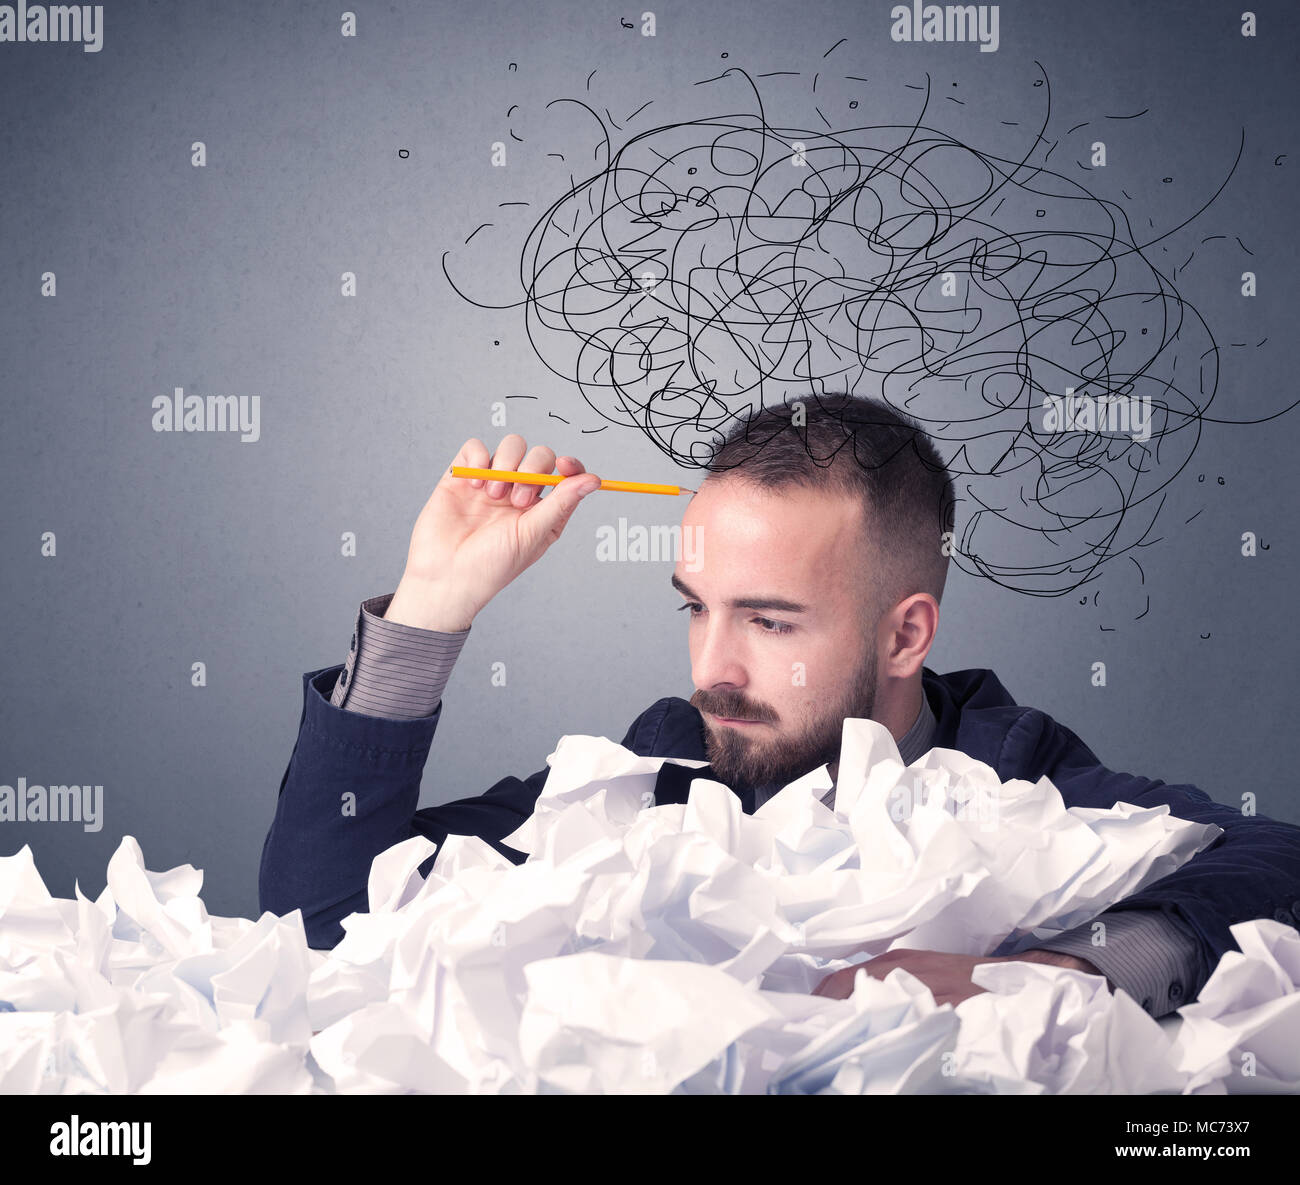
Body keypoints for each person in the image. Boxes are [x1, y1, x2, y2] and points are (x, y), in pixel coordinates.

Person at [258, 393, 1300, 1017]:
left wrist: (1046, 970)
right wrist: (433, 609)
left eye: (768, 622)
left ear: (905, 634)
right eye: (696, 609)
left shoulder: (1010, 766)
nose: (713, 667)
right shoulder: (665, 763)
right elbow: (320, 914)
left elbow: (1279, 863)